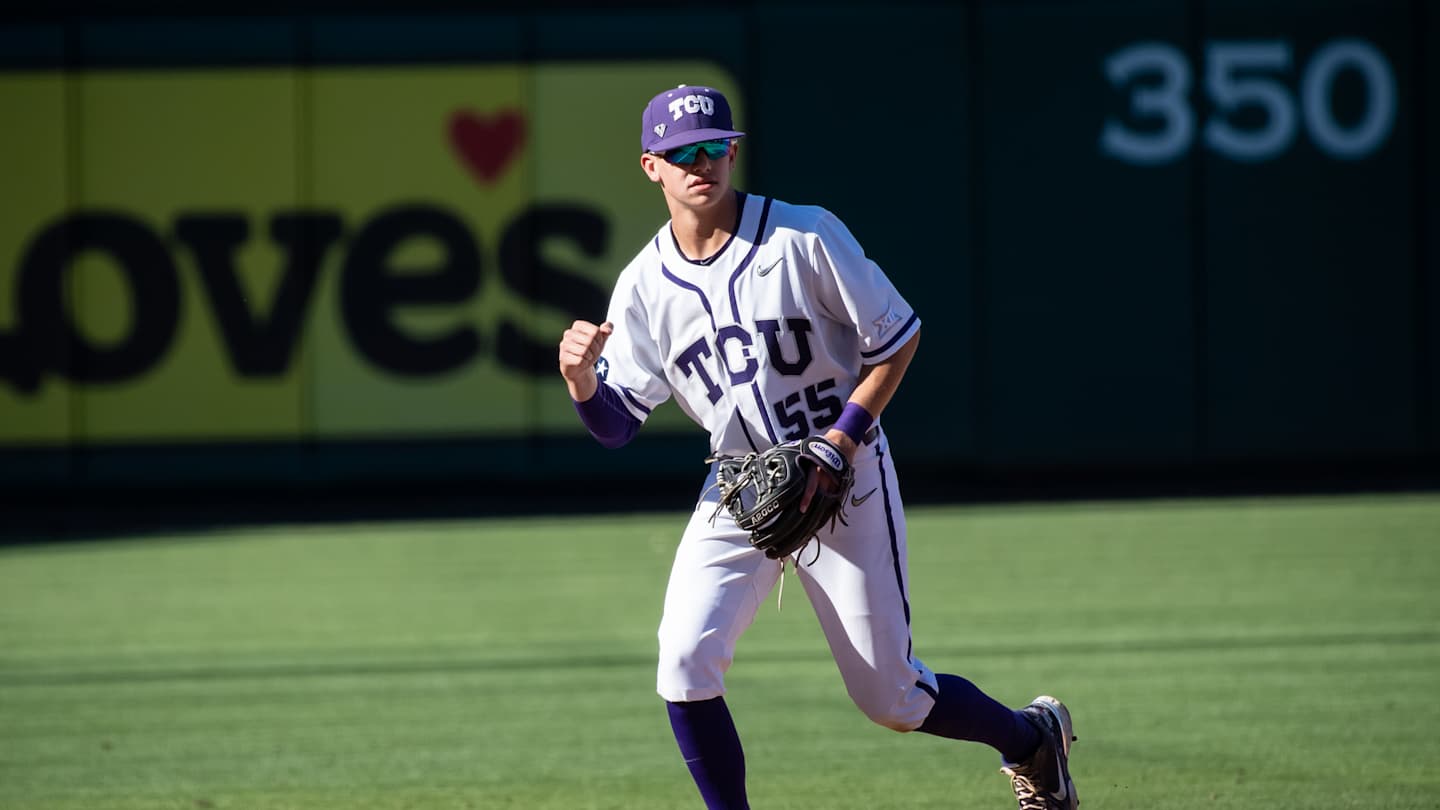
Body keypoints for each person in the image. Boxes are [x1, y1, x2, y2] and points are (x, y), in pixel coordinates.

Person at [556, 83, 1078, 810]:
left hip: (845, 472)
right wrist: (582, 381)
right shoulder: (643, 287)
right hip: (738, 486)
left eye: (714, 147)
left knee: (892, 698)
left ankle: (1030, 740)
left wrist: (840, 442)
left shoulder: (803, 236)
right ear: (652, 167)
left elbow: (896, 339)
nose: (700, 163)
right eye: (682, 154)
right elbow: (616, 426)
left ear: (733, 152)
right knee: (682, 662)